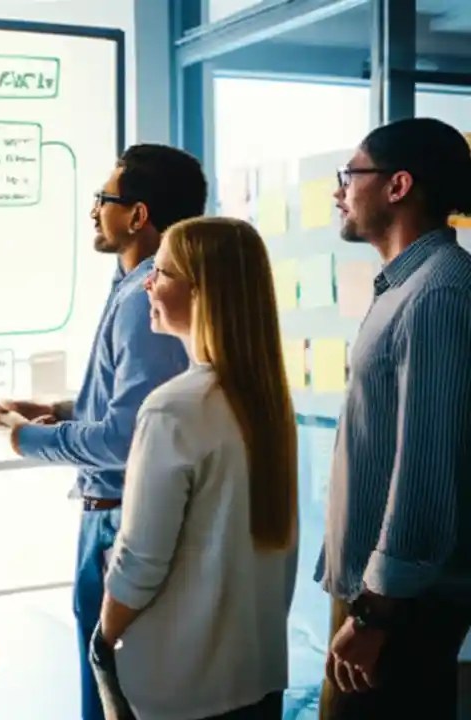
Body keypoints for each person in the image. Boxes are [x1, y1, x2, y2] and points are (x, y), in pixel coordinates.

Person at [0, 143, 204, 720]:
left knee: (115, 696)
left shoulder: (144, 299)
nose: (92, 211)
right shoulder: (131, 288)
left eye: (103, 199)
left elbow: (127, 438)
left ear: (138, 215)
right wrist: (59, 408)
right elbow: (125, 403)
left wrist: (26, 439)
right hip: (108, 516)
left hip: (119, 521)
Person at [87, 216, 298, 720]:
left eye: (159, 272)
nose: (147, 286)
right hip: (256, 677)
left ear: (201, 291)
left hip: (177, 688)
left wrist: (103, 637)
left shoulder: (174, 408)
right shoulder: (267, 401)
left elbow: (139, 562)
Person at [316, 117, 471, 720]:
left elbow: (424, 468)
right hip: (379, 596)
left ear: (397, 185)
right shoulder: (406, 287)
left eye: (350, 175)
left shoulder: (437, 293)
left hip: (399, 605)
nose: (339, 191)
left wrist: (376, 612)